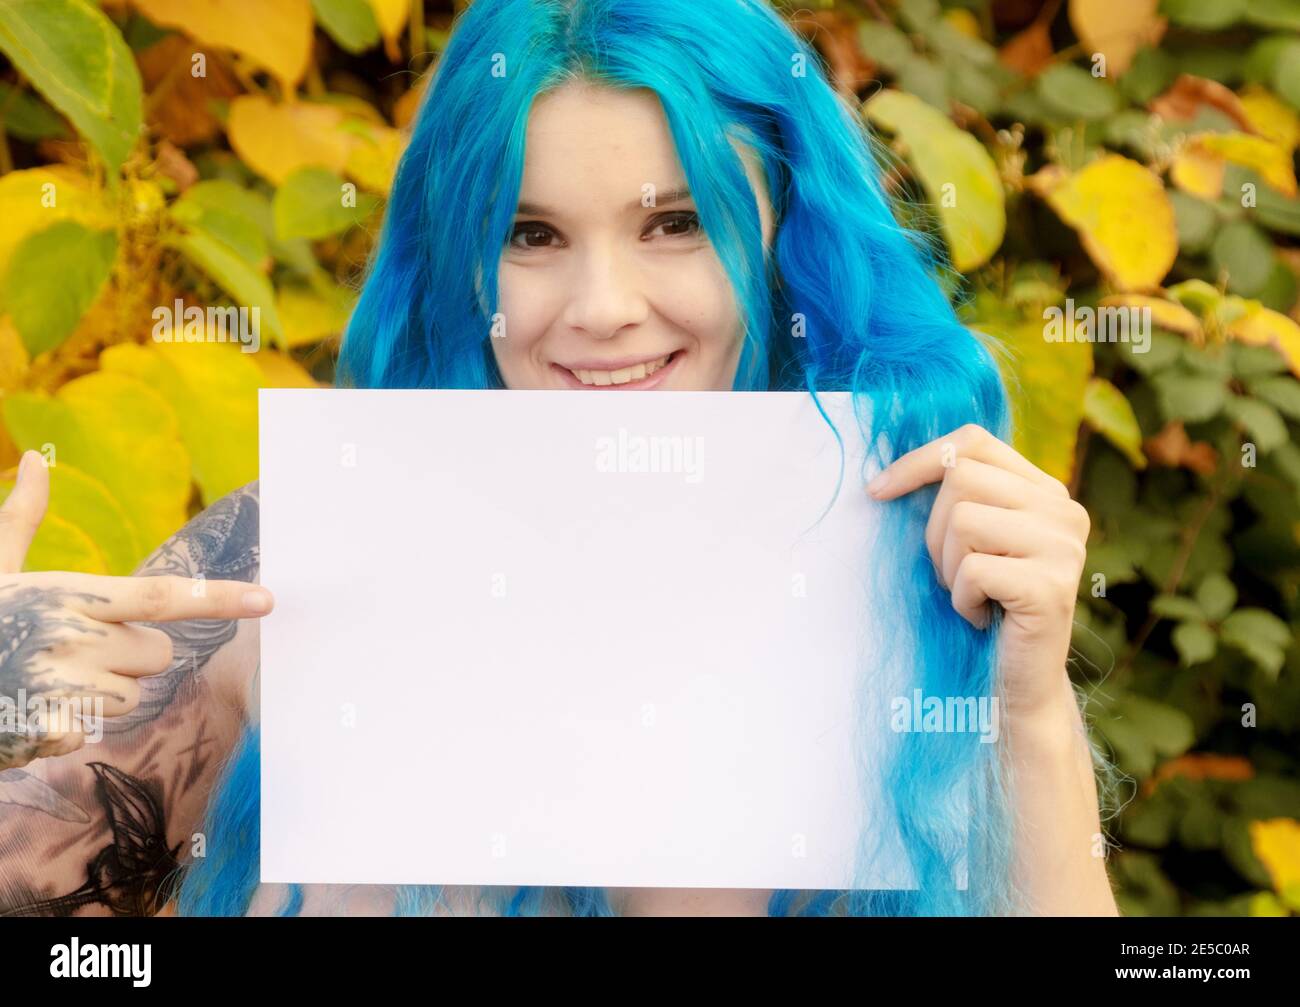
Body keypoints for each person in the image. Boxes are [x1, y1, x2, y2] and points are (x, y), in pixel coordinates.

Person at [0, 0, 1117, 917]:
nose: (602, 308)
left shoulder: (920, 571)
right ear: (460, 264)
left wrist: (1026, 720)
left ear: (788, 237)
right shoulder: (292, 565)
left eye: (673, 223)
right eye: (530, 234)